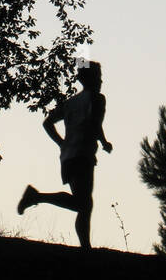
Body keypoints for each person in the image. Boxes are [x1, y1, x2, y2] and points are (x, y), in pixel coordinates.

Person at [17, 60, 112, 249]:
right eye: (98, 76)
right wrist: (104, 142)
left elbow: (47, 123)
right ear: (90, 79)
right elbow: (95, 123)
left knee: (84, 203)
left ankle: (85, 246)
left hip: (68, 157)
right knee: (83, 203)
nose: (101, 81)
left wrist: (62, 144)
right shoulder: (97, 98)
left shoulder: (71, 103)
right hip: (82, 155)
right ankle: (36, 197)